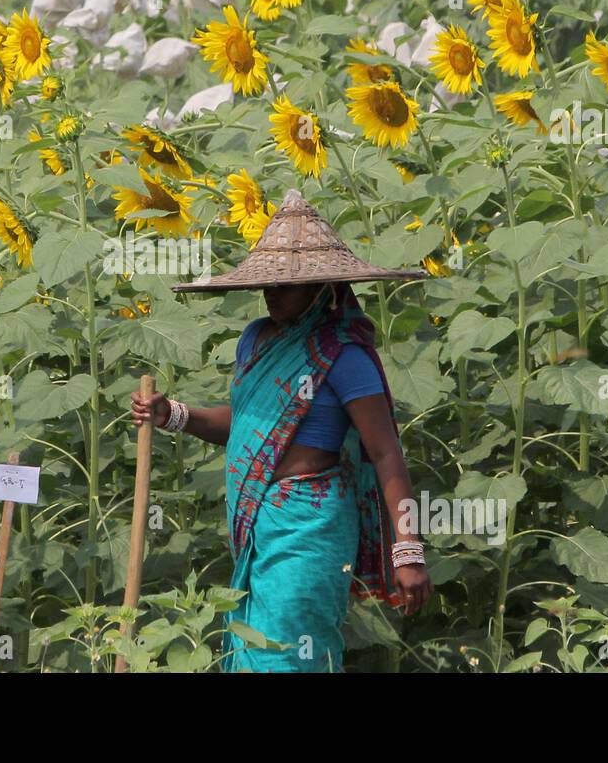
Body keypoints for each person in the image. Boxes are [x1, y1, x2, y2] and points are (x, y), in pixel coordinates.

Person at [132, 189, 433, 672]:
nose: (272, 294)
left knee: (291, 654)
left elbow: (385, 453)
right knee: (252, 650)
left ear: (322, 288)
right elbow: (252, 427)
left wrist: (409, 551)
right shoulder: (256, 339)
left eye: (287, 286)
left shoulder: (343, 354)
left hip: (310, 525)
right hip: (259, 524)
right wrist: (175, 415)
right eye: (268, 285)